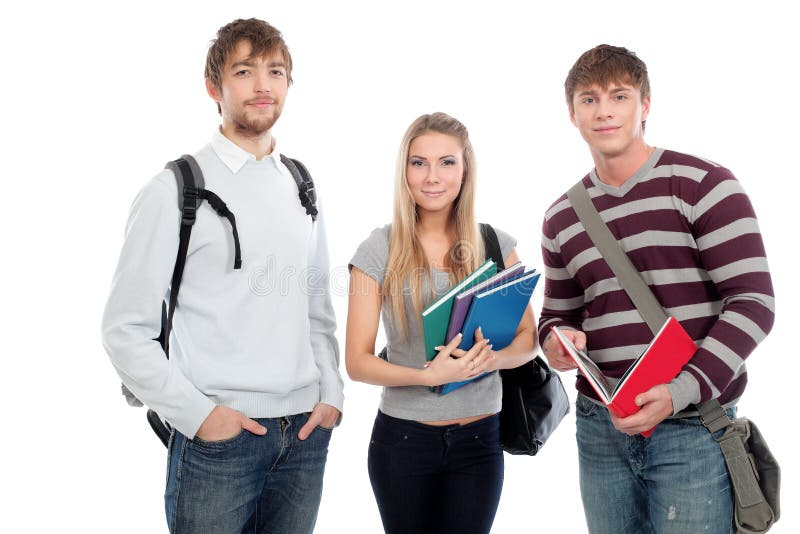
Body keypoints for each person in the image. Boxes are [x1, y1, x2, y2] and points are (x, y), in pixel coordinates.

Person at [101, 18, 343, 533]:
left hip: (304, 438)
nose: (262, 85)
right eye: (244, 70)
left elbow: (315, 308)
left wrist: (331, 397)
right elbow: (124, 331)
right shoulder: (176, 189)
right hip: (219, 444)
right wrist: (199, 417)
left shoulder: (301, 184)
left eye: (275, 71)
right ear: (214, 87)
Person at [538, 44, 775, 533]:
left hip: (694, 429)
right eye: (588, 99)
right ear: (572, 114)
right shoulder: (561, 217)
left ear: (645, 105)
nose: (603, 111)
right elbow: (558, 314)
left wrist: (680, 390)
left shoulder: (704, 186)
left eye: (618, 96)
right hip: (601, 430)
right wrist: (556, 343)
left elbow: (754, 304)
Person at [346, 112, 536, 533]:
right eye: (419, 163)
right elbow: (357, 362)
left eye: (446, 162)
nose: (432, 177)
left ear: (465, 170)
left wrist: (491, 360)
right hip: (404, 443)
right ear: (405, 171)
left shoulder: (495, 244)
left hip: (479, 442)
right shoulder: (379, 248)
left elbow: (529, 339)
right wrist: (427, 373)